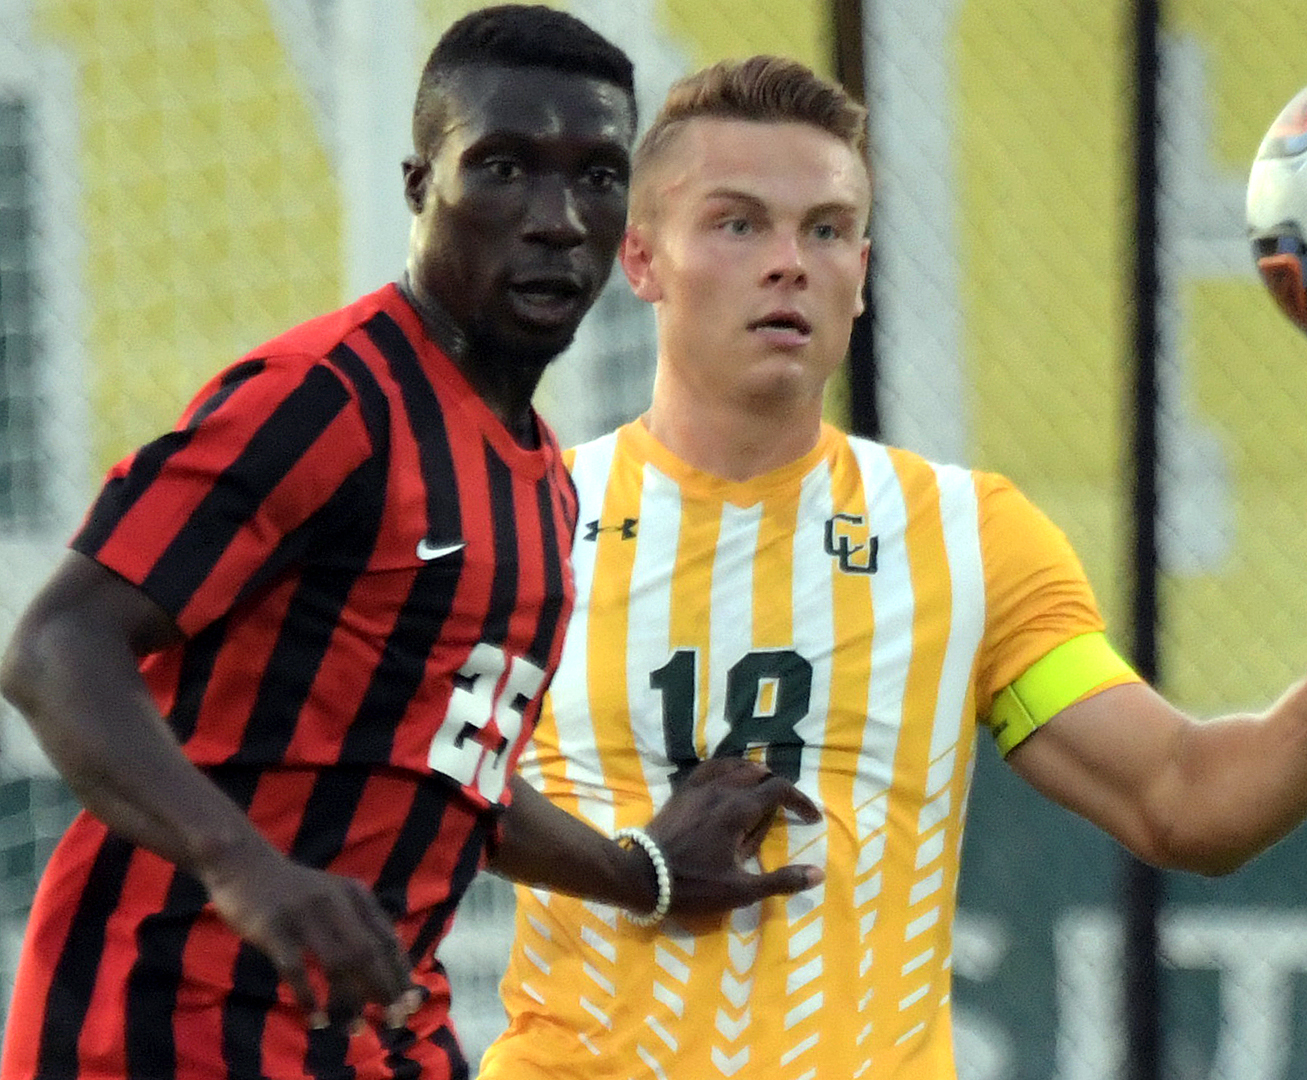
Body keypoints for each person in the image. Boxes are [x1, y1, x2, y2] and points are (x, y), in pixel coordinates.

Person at [476, 55, 1307, 1080]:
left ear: (861, 271)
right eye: (738, 225)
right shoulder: (522, 518)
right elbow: (399, 791)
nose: (790, 263)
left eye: (825, 229)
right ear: (640, 261)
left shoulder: (965, 538)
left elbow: (1178, 799)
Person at [0, 10, 823, 1080]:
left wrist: (638, 873)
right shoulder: (325, 400)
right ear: (418, 186)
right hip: (166, 1024)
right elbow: (57, 647)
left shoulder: (541, 485)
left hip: (376, 1033)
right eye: (505, 168)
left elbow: (441, 767)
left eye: (597, 177)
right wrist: (243, 866)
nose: (556, 219)